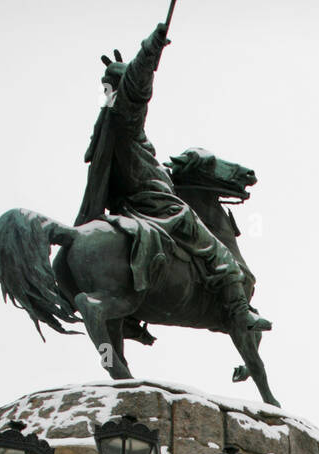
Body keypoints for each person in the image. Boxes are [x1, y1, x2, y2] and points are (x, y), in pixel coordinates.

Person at [77, 25, 268, 334]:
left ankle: (127, 317)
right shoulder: (125, 117)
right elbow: (137, 88)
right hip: (158, 207)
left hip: (131, 206)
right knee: (220, 254)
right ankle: (240, 311)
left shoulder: (105, 128)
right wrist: (150, 51)